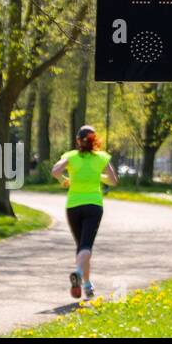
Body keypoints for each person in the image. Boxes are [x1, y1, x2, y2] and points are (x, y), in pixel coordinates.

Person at [52, 126, 119, 300]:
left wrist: (64, 180)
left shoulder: (71, 156)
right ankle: (79, 272)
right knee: (86, 246)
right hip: (93, 206)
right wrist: (99, 177)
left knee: (81, 246)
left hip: (73, 206)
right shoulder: (101, 158)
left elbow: (55, 171)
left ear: (77, 140)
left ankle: (87, 285)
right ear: (94, 140)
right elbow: (113, 181)